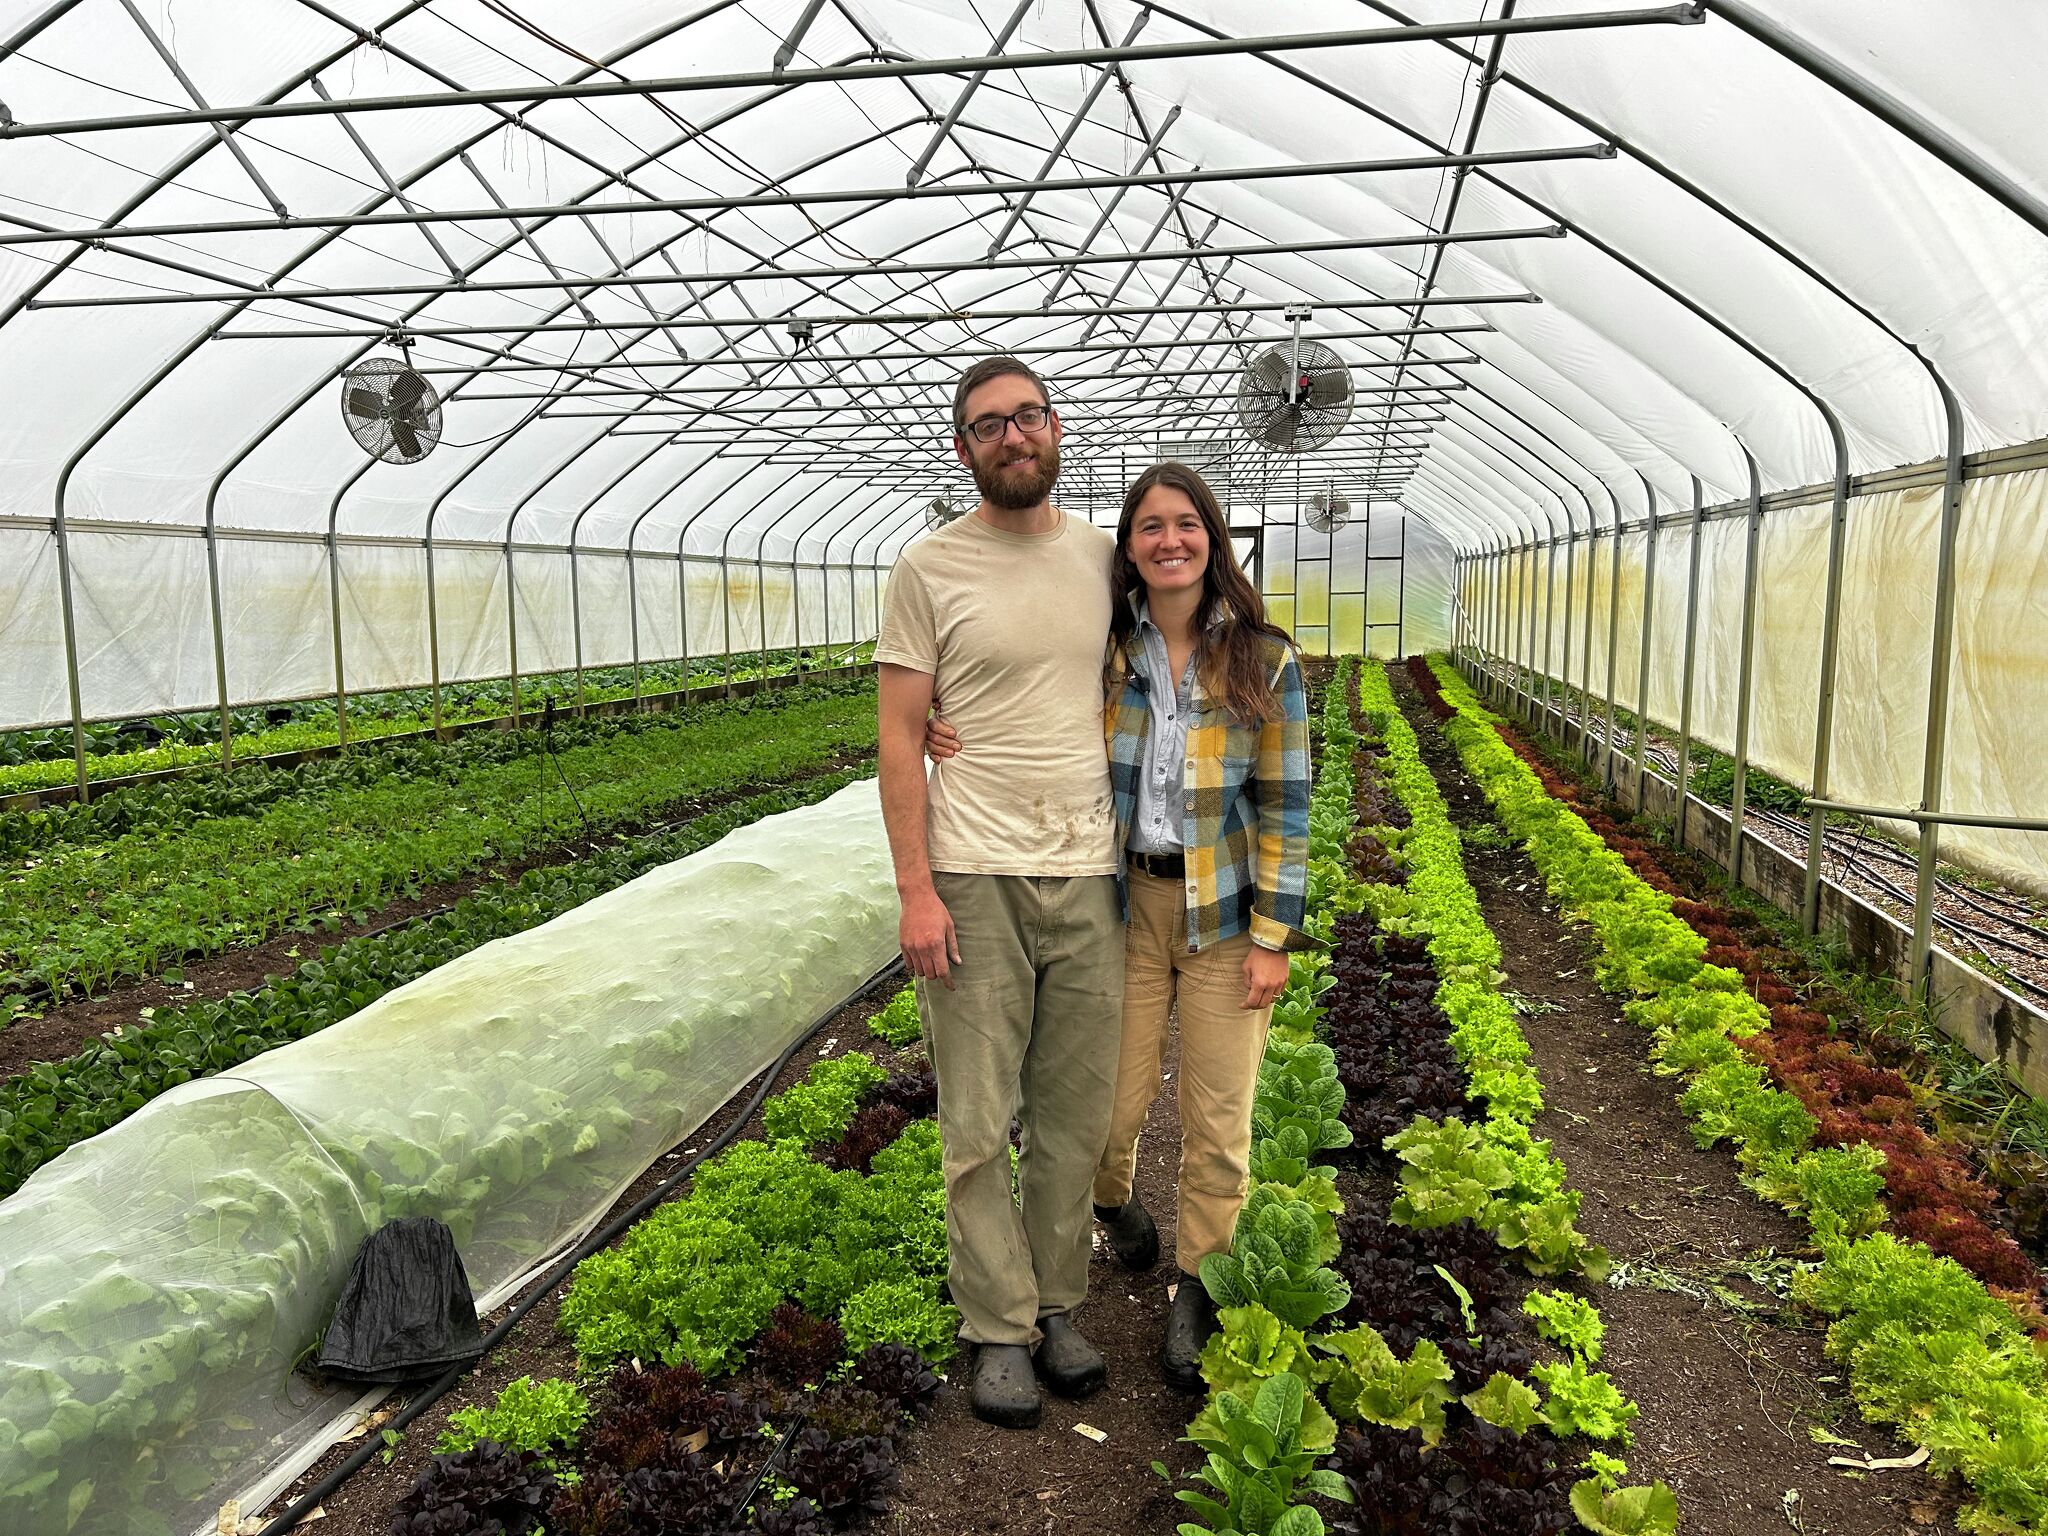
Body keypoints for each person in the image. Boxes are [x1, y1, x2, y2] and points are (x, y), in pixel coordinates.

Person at [925, 459, 1313, 1390]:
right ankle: (1118, 1206)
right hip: (1125, 905)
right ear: (1128, 551)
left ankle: (1196, 1287)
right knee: (1104, 1111)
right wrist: (947, 714)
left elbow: (1289, 805)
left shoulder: (1265, 658)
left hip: (1222, 917)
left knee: (1218, 1122)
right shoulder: (1109, 649)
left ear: (1213, 539)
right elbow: (1030, 704)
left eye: (1188, 524)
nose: (1170, 541)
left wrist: (1272, 938)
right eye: (1151, 528)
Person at [872, 355, 1126, 1430]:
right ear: (964, 449)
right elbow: (894, 737)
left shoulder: (1103, 558)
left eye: (1026, 417)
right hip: (971, 872)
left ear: (1056, 429)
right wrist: (915, 892)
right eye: (986, 427)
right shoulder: (927, 569)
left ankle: (1057, 1303)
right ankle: (993, 1326)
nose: (1011, 437)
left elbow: (1148, 670)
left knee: (1073, 1117)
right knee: (977, 1120)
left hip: (1091, 871)